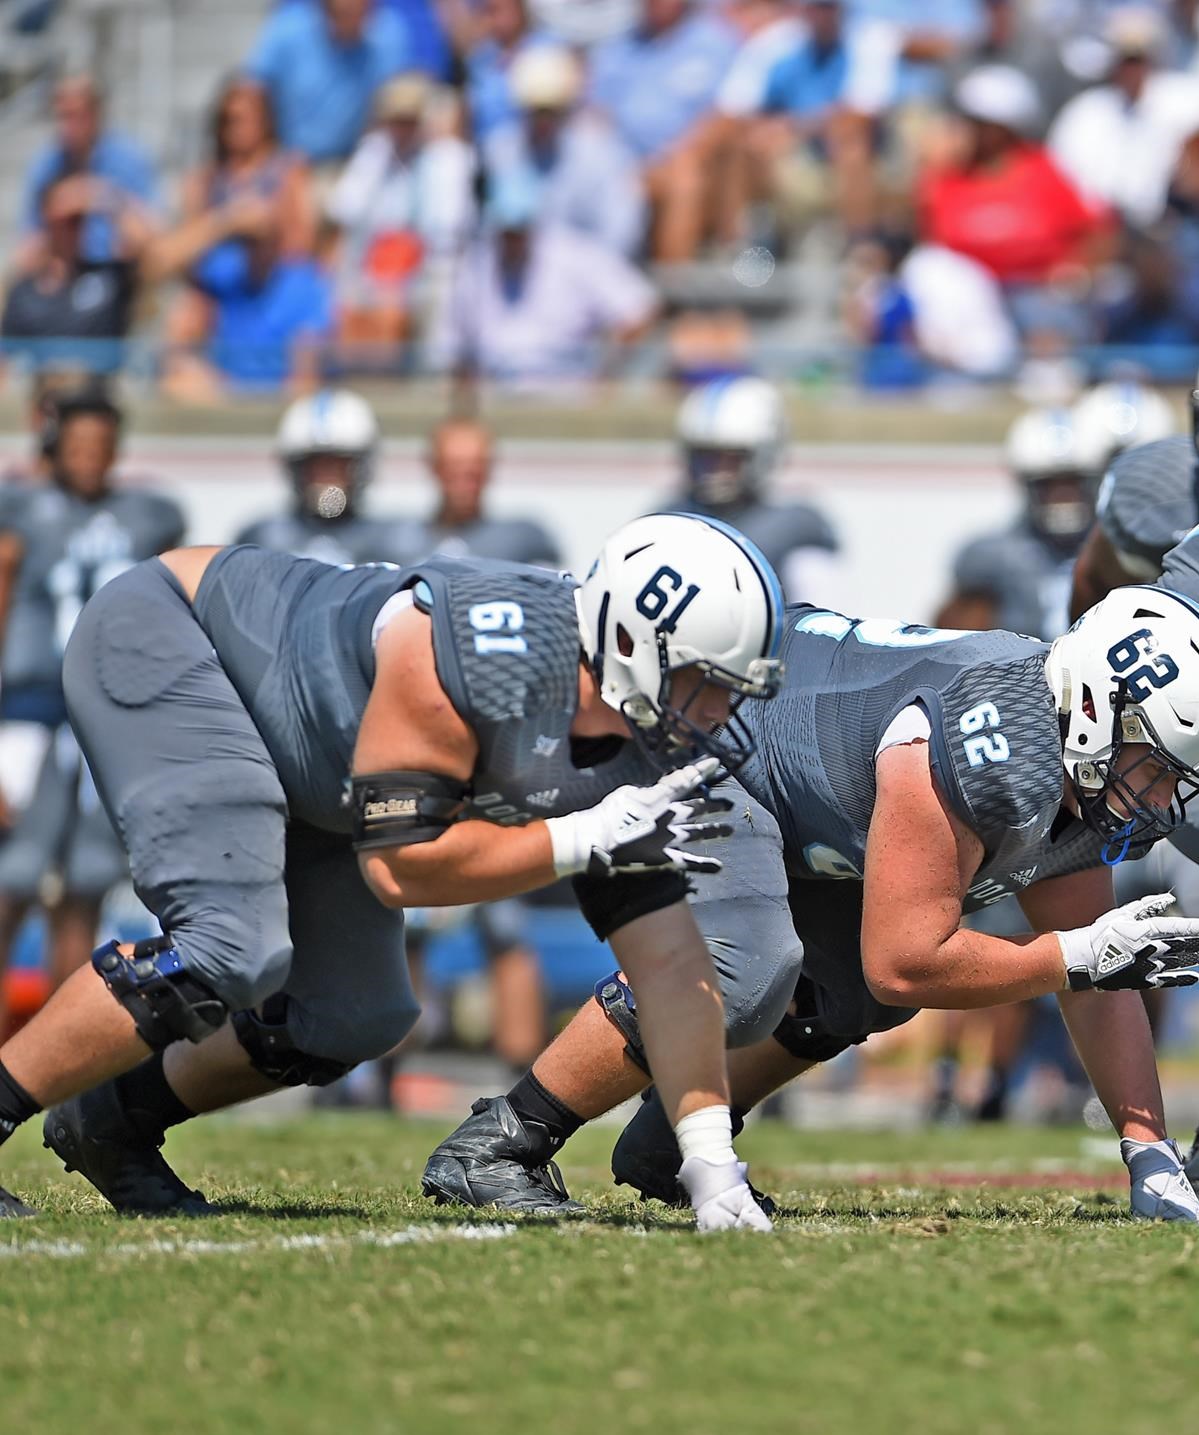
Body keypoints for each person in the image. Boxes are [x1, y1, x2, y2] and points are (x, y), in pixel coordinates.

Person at [4, 514, 786, 1236]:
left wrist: (710, 1164)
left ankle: (109, 1123)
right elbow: (399, 866)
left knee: (355, 1012)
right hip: (180, 641)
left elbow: (672, 964)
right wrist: (580, 836)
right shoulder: (479, 654)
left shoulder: (633, 738)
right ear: (625, 640)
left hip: (324, 767)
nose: (717, 711)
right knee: (229, 948)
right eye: (704, 681)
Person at [424, 586, 1199, 1220]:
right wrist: (1073, 958)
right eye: (1156, 763)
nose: (1164, 795)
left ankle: (671, 1139)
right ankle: (500, 1140)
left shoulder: (1078, 774)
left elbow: (1099, 967)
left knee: (852, 993)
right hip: (722, 732)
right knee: (745, 968)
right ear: (1095, 713)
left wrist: (1149, 1152)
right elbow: (909, 962)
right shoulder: (991, 744)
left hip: (800, 795)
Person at [0, 390, 185, 1031]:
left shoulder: (148, 514)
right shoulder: (20, 508)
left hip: (106, 720)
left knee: (82, 887)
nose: (88, 460)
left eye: (99, 448)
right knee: (11, 881)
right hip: (26, 714)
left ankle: (57, 1053)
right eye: (75, 446)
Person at [434, 174, 658, 386]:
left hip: (568, 396)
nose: (513, 240)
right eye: (507, 231)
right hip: (494, 395)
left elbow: (639, 307)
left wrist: (607, 374)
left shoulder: (575, 254)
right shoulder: (477, 265)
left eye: (520, 229)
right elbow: (453, 346)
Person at [325, 73, 475, 355]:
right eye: (396, 120)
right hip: (375, 269)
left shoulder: (449, 159)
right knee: (341, 290)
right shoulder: (373, 153)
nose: (403, 129)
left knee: (444, 293)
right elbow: (345, 215)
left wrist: (406, 267)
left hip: (430, 271)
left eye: (410, 120)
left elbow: (450, 232)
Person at [668, 377, 844, 605]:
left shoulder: (794, 528)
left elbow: (824, 621)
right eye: (705, 458)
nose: (714, 471)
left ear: (762, 455)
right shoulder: (669, 517)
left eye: (729, 459)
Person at [483, 45, 646, 258]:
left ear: (566, 109)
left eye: (550, 112)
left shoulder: (602, 155)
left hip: (590, 275)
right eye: (534, 112)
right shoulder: (500, 151)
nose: (542, 122)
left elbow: (621, 232)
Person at [235, 389, 421, 565]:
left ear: (361, 468)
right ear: (295, 470)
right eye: (315, 465)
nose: (326, 479)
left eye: (337, 465)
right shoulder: (265, 539)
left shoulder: (394, 541)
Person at [2, 173, 152, 376]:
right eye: (68, 221)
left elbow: (149, 249)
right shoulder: (24, 292)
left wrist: (107, 198)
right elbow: (7, 362)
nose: (75, 229)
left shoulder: (109, 277)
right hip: (46, 397)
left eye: (80, 220)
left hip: (97, 396)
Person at [244, 0, 413, 167]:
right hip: (286, 160)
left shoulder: (386, 33)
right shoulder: (288, 29)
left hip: (354, 165)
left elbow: (398, 99)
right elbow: (252, 92)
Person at [17, 75, 159, 270]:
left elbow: (152, 238)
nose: (68, 125)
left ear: (96, 112)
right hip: (63, 273)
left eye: (77, 115)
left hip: (118, 272)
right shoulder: (46, 164)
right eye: (62, 115)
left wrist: (99, 196)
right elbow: (29, 245)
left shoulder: (129, 158)